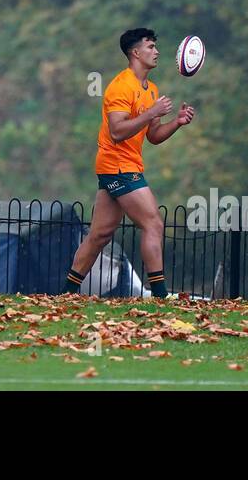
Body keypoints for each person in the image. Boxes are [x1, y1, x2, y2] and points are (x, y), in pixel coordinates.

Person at [64, 27, 195, 299]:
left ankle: (66, 292)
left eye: (156, 46)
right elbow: (117, 131)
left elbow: (155, 136)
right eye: (150, 46)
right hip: (118, 165)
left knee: (100, 234)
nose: (156, 51)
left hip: (126, 166)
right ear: (135, 52)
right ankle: (160, 295)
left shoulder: (151, 90)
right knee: (153, 224)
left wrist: (176, 122)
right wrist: (151, 112)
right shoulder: (120, 86)